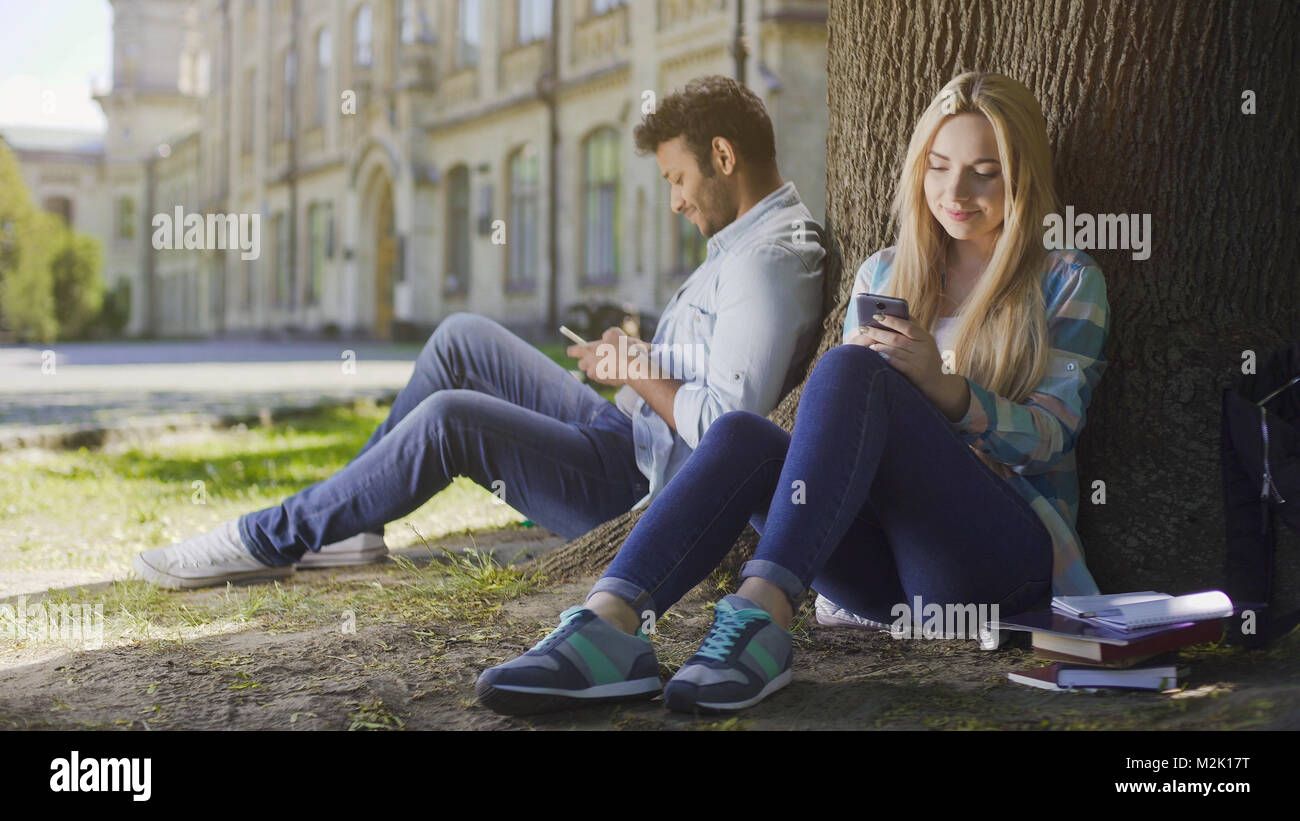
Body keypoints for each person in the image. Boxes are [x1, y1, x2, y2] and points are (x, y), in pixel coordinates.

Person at [476, 72, 1111, 716]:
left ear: (1022, 176)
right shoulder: (887, 272)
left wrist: (945, 388)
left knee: (846, 371)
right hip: (888, 580)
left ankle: (761, 617)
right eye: (939, 167)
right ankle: (608, 626)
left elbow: (1051, 437)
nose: (955, 192)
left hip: (996, 567)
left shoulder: (1065, 279)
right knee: (742, 434)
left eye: (985, 172)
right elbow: (849, 433)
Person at [133, 75, 826, 589]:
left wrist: (638, 367)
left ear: (724, 158)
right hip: (629, 433)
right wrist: (634, 356)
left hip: (634, 486)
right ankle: (354, 517)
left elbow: (728, 428)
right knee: (461, 335)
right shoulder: (744, 241)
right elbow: (714, 368)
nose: (675, 199)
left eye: (678, 179)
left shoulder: (768, 265)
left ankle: (266, 537)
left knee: (449, 420)